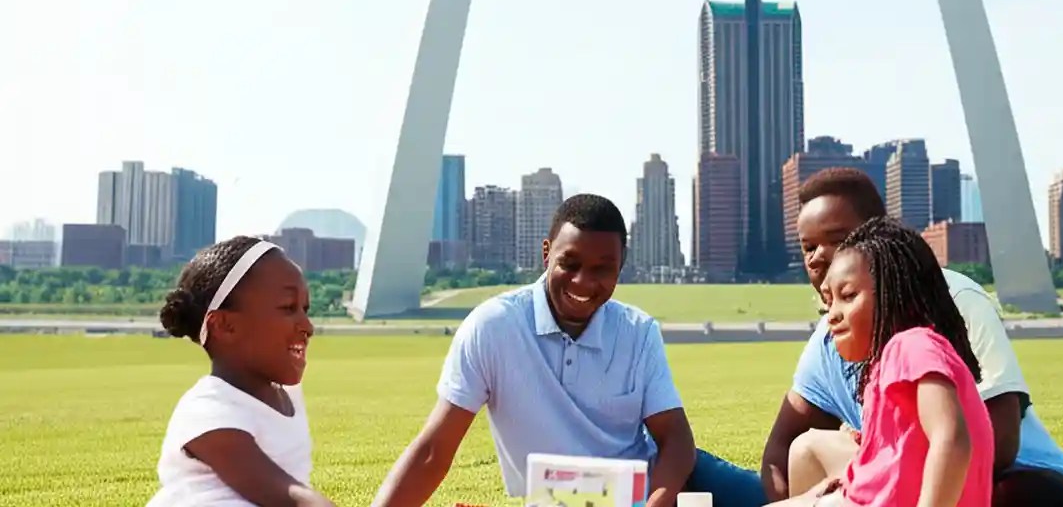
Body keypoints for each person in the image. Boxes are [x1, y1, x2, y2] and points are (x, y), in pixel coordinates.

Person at [760, 168, 1063, 507]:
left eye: (839, 240)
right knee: (806, 448)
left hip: (1023, 485)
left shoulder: (932, 318)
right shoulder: (836, 334)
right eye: (808, 247)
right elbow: (782, 447)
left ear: (882, 241)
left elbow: (976, 441)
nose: (819, 256)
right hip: (904, 475)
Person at [370, 194, 697, 507]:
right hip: (555, 502)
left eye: (602, 269)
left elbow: (676, 439)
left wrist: (654, 504)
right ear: (546, 253)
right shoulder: (493, 327)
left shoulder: (638, 332)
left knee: (746, 493)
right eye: (569, 263)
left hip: (654, 490)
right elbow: (433, 451)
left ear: (620, 266)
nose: (583, 282)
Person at [768, 217, 994, 507]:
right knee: (806, 448)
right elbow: (908, 445)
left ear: (895, 294)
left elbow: (952, 439)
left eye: (848, 296)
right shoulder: (886, 363)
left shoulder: (912, 344)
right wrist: (871, 440)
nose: (832, 315)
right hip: (868, 494)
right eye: (829, 301)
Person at [148, 236, 333, 507]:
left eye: (305, 310)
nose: (307, 326)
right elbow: (286, 496)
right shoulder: (209, 409)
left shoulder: (287, 396)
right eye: (287, 308)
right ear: (225, 326)